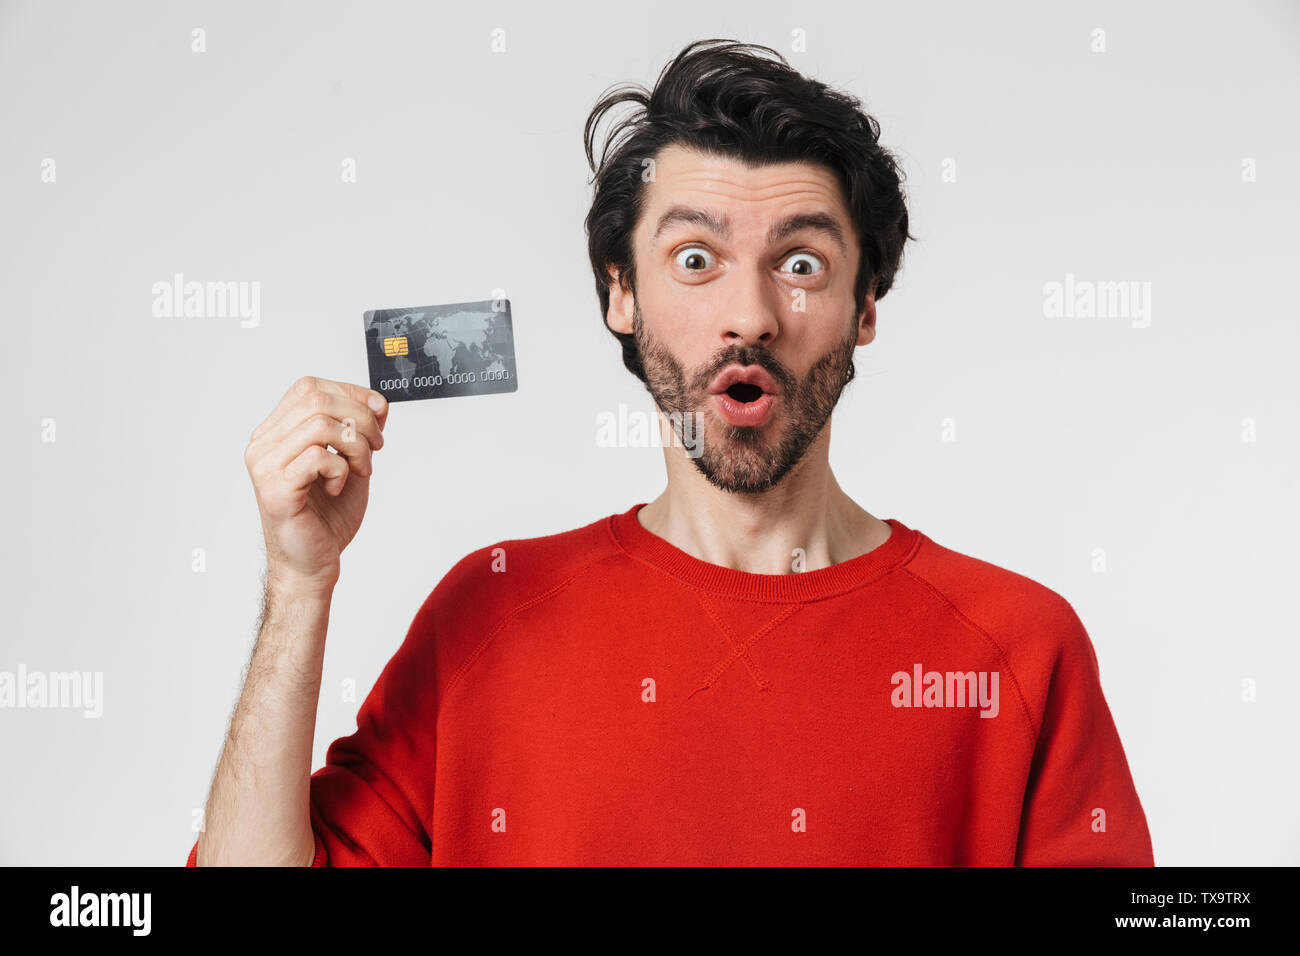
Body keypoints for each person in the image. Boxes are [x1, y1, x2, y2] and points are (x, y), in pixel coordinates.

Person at [187, 38, 1153, 866]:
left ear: (865, 309)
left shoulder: (1019, 649)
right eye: (696, 259)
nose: (750, 316)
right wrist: (298, 584)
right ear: (623, 294)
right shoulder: (484, 618)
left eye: (802, 263)